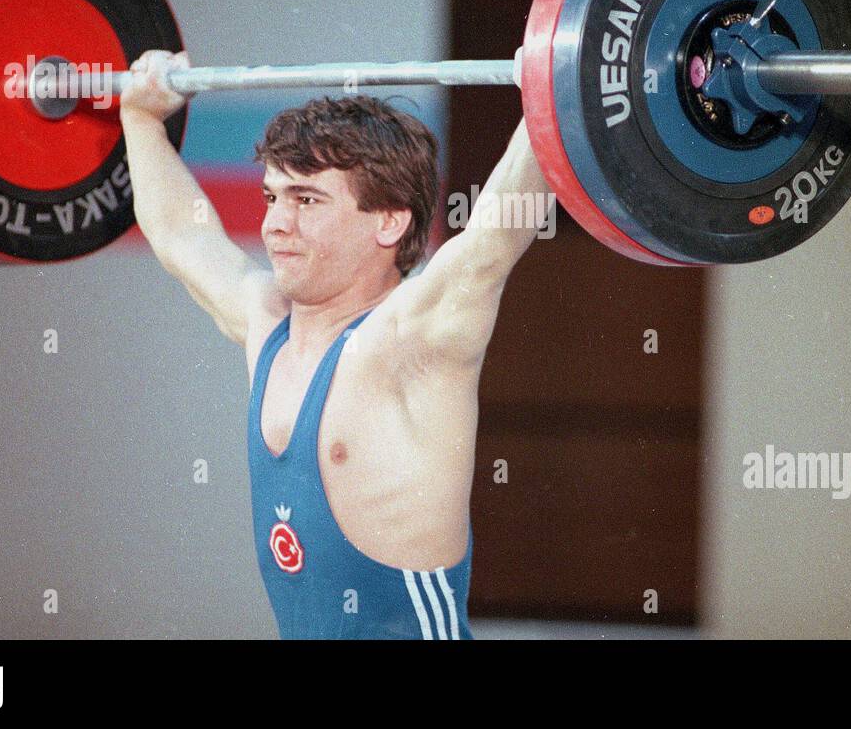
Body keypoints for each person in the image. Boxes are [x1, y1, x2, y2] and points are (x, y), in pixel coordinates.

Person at [118, 49, 550, 639]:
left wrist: (553, 98)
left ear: (389, 221)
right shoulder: (266, 325)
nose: (275, 224)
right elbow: (177, 233)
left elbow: (493, 241)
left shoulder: (409, 342)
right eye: (273, 197)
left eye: (306, 201)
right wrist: (140, 120)